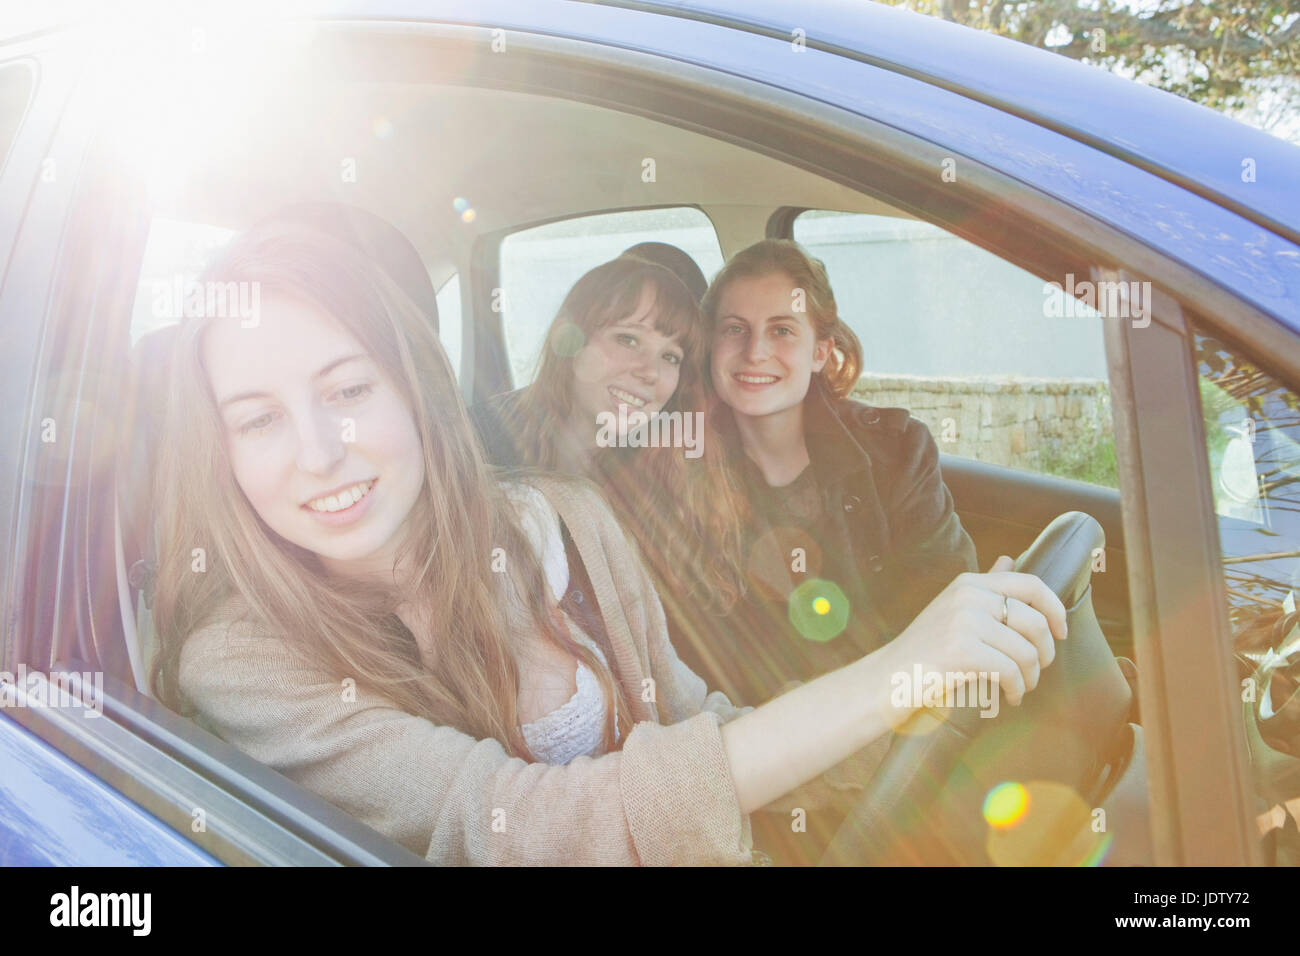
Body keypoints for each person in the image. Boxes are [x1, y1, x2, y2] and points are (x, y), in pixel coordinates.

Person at [149, 217, 1066, 866]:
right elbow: (519, 826)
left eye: (349, 391)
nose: (319, 452)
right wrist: (889, 675)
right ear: (217, 448)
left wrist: (907, 729)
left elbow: (693, 713)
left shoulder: (567, 517)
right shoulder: (240, 659)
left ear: (411, 392)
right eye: (259, 418)